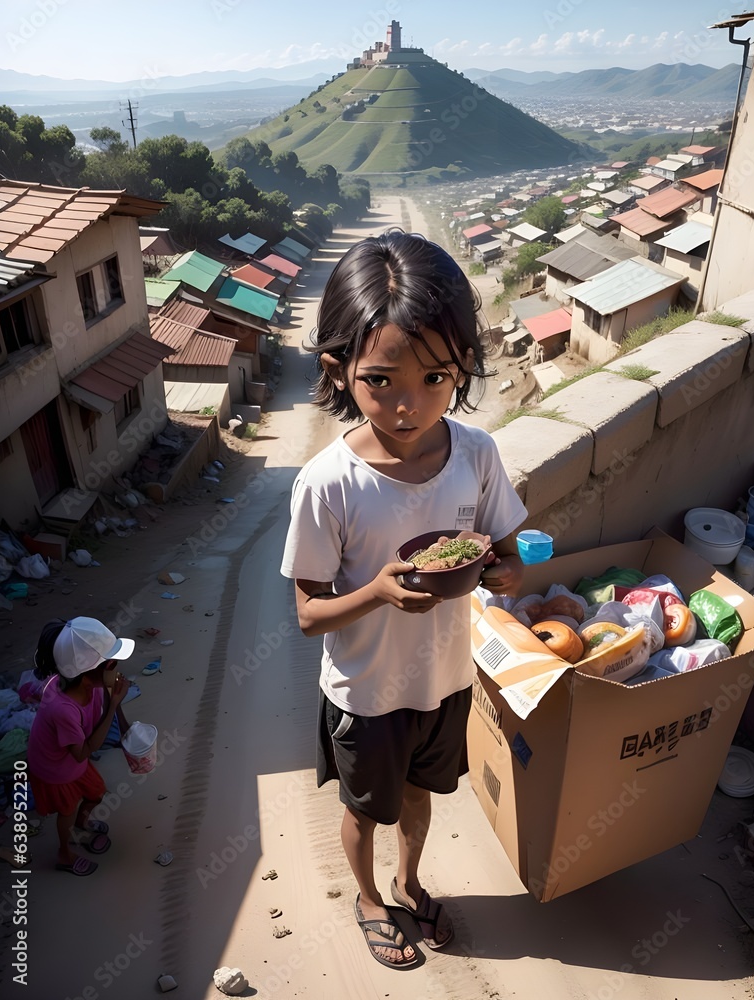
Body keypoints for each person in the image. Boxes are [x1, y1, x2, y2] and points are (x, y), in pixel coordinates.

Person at [281, 230, 527, 970]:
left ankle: (410, 881)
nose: (409, 405)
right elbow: (307, 613)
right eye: (382, 380)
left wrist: (503, 572)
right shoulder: (329, 484)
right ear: (339, 370)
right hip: (364, 692)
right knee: (364, 809)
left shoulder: (477, 456)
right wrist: (379, 592)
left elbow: (502, 548)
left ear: (463, 370)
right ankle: (367, 898)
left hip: (445, 680)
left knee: (421, 797)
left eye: (437, 378)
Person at [27, 617, 133, 876]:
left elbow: (107, 706)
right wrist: (114, 709)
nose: (116, 667)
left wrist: (123, 721)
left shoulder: (91, 685)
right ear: (93, 672)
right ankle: (64, 853)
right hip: (56, 770)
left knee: (96, 793)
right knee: (66, 810)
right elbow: (83, 752)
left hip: (74, 762)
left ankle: (81, 825)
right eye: (112, 663)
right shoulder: (62, 708)